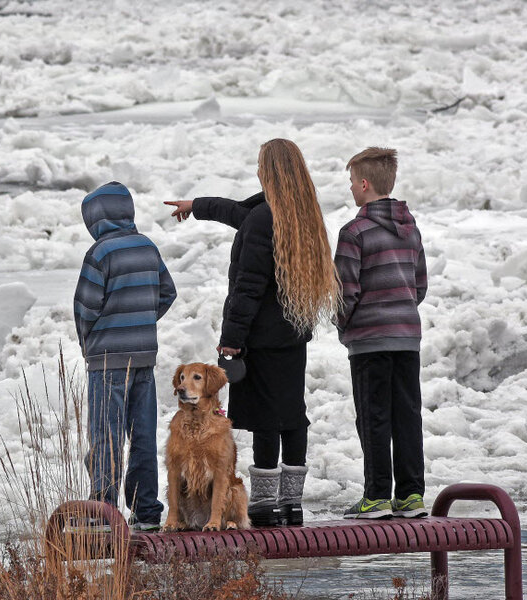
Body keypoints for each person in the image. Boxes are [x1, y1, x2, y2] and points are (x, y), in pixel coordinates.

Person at [165, 139, 340, 526]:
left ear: (270, 172)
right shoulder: (300, 212)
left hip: (260, 339)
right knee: (293, 417)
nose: (258, 171)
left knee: (265, 419)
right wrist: (198, 206)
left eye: (262, 166)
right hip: (293, 333)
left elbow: (249, 286)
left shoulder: (264, 219)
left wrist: (231, 339)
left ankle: (262, 505)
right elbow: (240, 211)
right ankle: (291, 503)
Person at [74, 181, 177, 532]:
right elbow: (167, 292)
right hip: (144, 358)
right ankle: (146, 510)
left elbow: (85, 307)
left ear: (97, 220)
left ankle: (102, 510)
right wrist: (143, 321)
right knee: (142, 434)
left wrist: (91, 342)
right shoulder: (147, 246)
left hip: (107, 362)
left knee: (107, 434)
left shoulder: (100, 254)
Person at [334, 147, 428, 519]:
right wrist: (401, 313)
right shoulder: (411, 228)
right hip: (406, 336)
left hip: (370, 340)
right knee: (407, 413)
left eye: (352, 182)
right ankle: (410, 495)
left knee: (373, 415)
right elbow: (419, 285)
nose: (351, 189)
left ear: (364, 183)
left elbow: (345, 290)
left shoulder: (354, 231)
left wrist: (345, 325)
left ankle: (376, 496)